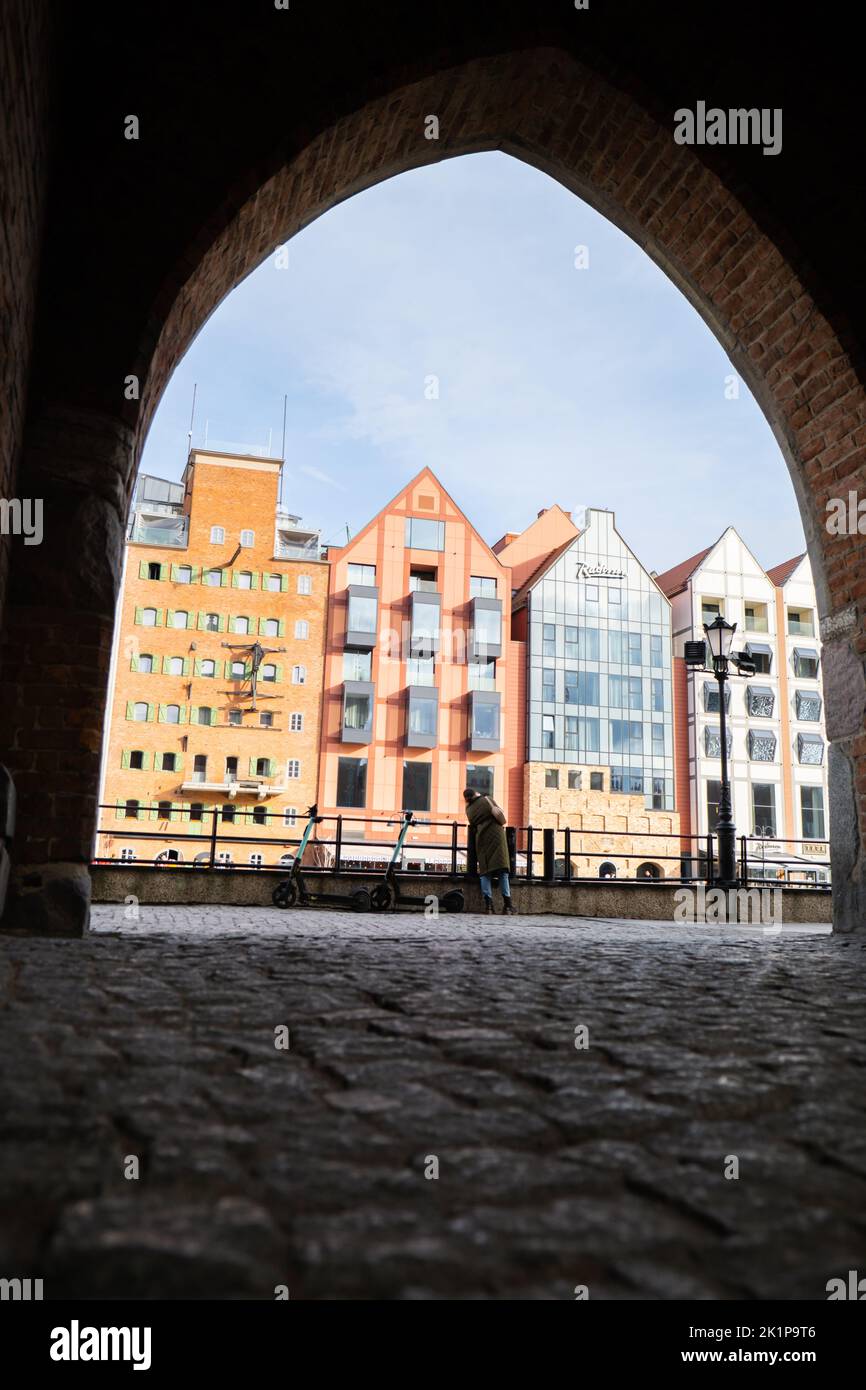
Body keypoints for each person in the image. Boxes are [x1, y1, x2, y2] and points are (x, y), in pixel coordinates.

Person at [463, 787, 514, 914]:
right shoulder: (487, 800)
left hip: (482, 838)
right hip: (496, 836)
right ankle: (507, 906)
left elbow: (473, 823)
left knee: (485, 872)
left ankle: (489, 906)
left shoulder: (469, 809)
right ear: (475, 793)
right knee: (503, 871)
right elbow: (499, 814)